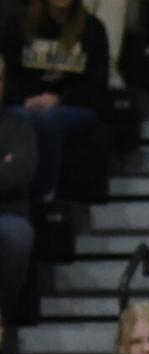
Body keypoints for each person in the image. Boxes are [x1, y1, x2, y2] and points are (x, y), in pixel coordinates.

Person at [1, 0, 107, 200]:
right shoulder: (18, 24)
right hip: (26, 103)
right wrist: (27, 98)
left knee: (48, 120)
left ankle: (44, 194)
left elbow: (96, 86)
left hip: (75, 106)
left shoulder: (92, 29)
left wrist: (59, 98)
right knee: (20, 117)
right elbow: (7, 76)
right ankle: (17, 197)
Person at [0, 55, 36, 326]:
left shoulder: (19, 124)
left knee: (16, 235)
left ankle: (2, 319)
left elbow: (17, 175)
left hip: (6, 215)